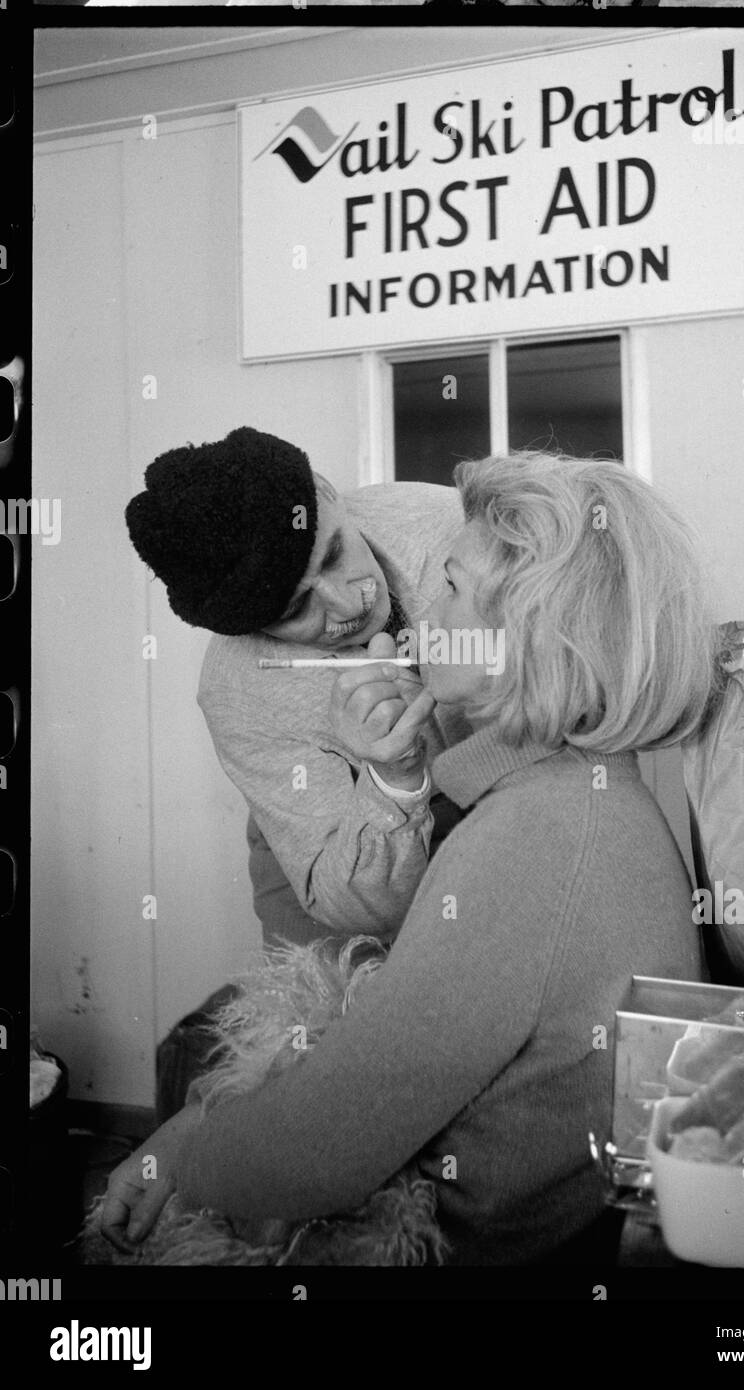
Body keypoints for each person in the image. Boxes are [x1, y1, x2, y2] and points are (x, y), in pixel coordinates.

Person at [105, 451, 716, 1265]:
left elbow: (315, 1154)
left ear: (528, 631)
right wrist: (394, 785)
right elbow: (370, 1002)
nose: (388, 610)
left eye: (453, 591)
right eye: (296, 607)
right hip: (361, 868)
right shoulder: (578, 800)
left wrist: (183, 1152)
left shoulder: (527, 841)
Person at [126, 426, 471, 1115]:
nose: (347, 606)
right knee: (321, 1064)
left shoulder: (446, 528)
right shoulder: (240, 692)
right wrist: (393, 776)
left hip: (482, 797)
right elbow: (354, 904)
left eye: (336, 554)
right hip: (328, 846)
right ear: (248, 629)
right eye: (295, 609)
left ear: (328, 494)